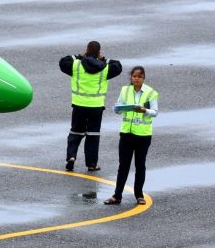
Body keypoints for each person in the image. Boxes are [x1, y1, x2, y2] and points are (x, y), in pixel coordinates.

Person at [60, 40, 123, 173]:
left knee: (75, 132)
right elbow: (117, 66)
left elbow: (63, 61)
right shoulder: (105, 68)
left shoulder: (76, 65)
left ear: (86, 50)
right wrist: (104, 59)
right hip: (96, 107)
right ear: (99, 52)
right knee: (93, 136)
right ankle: (91, 164)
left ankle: (71, 157)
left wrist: (79, 56)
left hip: (79, 105)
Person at [105, 65, 159, 205]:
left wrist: (144, 111)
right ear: (131, 77)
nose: (137, 79)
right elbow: (117, 107)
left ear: (143, 78)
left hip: (143, 135)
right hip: (126, 133)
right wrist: (118, 109)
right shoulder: (125, 90)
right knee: (123, 166)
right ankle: (117, 195)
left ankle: (139, 195)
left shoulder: (150, 92)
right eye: (134, 76)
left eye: (140, 76)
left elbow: (155, 112)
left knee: (140, 165)